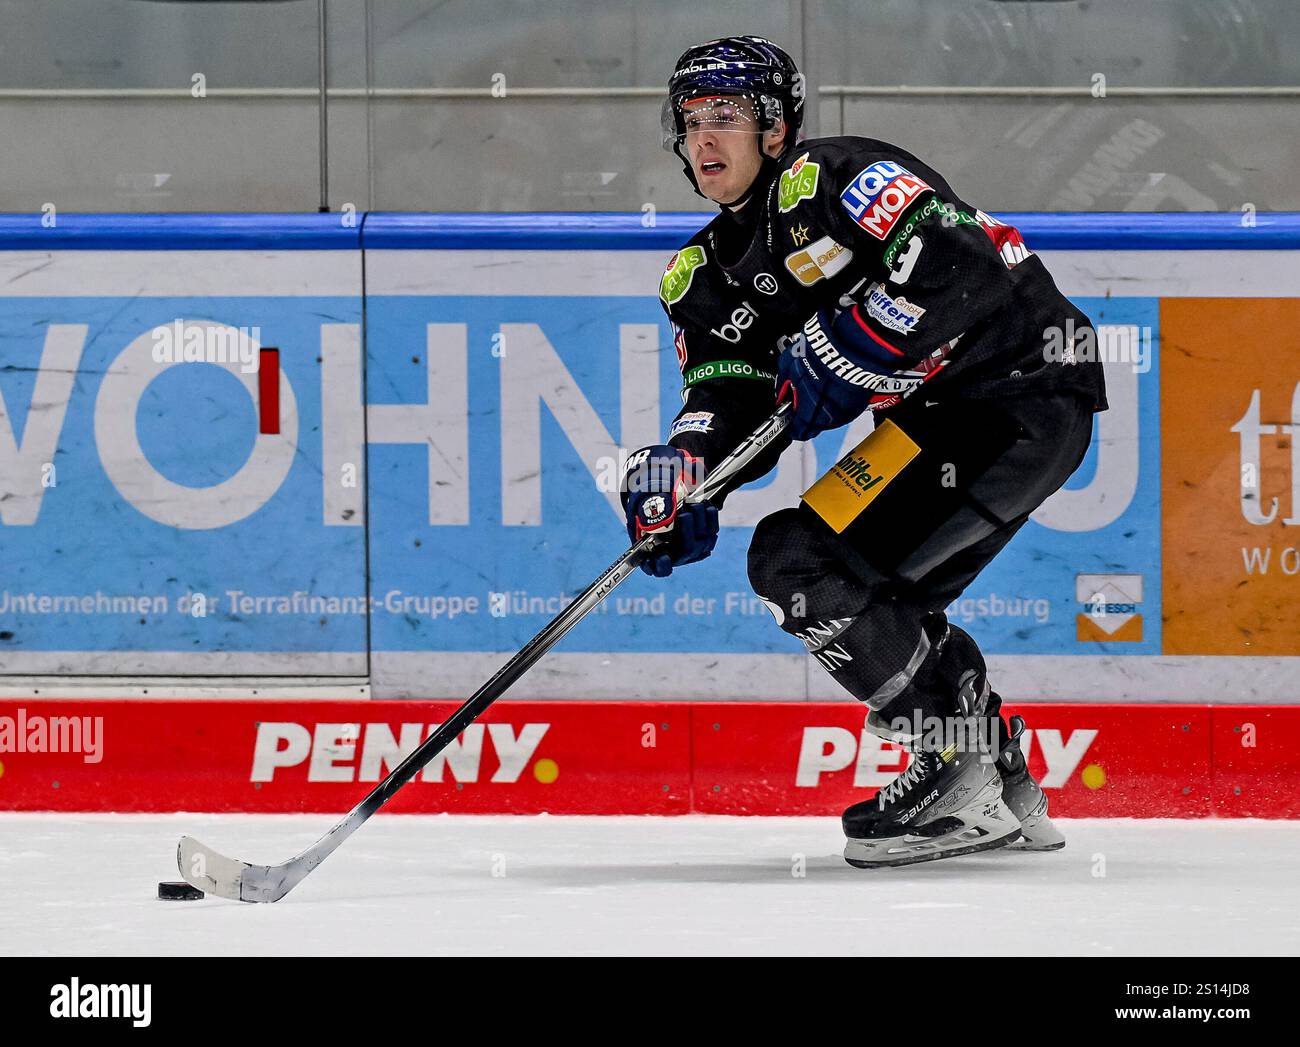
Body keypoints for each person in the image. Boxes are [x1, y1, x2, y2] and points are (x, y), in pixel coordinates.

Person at [621, 36, 1106, 867]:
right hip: (936, 423)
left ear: (777, 128)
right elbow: (728, 401)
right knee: (862, 589)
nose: (703, 139)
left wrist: (850, 344)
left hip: (1019, 392)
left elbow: (966, 262)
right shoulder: (700, 274)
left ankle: (956, 768)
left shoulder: (837, 177)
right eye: (691, 121)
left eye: (726, 117)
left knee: (799, 561)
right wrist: (686, 472)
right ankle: (993, 774)